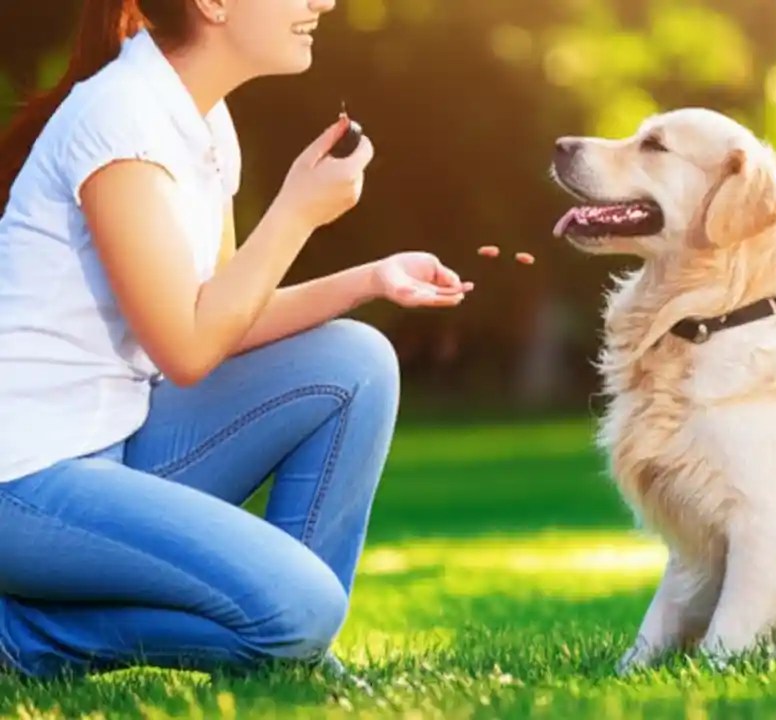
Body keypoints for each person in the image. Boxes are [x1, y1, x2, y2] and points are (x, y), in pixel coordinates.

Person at [0, 0, 471, 679]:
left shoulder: (201, 120)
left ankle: (293, 656)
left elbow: (223, 315)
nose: (323, 2)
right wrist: (297, 212)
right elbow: (188, 351)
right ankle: (23, 636)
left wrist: (371, 277)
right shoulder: (118, 120)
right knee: (303, 608)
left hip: (116, 445)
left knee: (358, 361)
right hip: (26, 481)